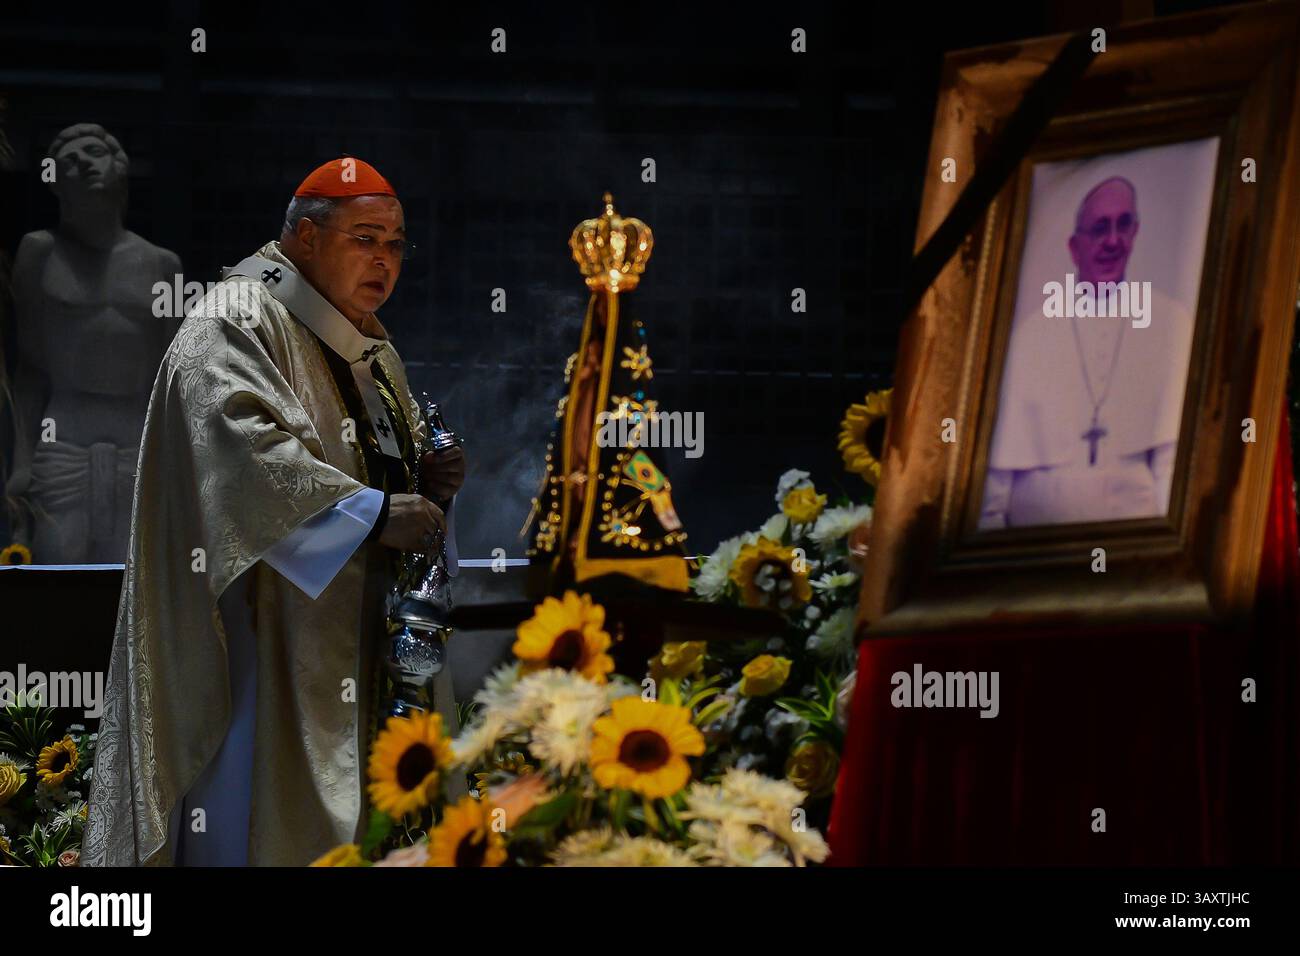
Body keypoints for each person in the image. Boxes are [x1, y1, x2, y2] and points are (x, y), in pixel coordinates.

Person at [84, 157, 465, 866]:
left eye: (395, 242)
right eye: (365, 238)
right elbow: (238, 456)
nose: (384, 259)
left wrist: (431, 482)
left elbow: (387, 470)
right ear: (307, 237)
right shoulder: (235, 318)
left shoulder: (366, 342)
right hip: (264, 626)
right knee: (255, 818)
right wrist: (376, 515)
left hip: (360, 628)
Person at [5, 124, 181, 563]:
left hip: (136, 446)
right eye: (68, 160)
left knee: (131, 586)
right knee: (55, 577)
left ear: (119, 168)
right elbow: (29, 371)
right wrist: (19, 465)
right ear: (54, 181)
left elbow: (173, 379)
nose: (82, 162)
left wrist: (178, 463)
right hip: (62, 441)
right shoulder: (39, 253)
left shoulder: (162, 264)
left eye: (93, 152)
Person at [980, 176, 1194, 528]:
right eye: (1099, 229)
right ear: (1074, 247)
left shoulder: (1171, 323)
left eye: (1123, 225)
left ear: (1135, 233)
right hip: (1040, 541)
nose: (1113, 240)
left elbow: (1174, 462)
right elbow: (996, 482)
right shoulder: (1031, 336)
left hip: (1133, 539)